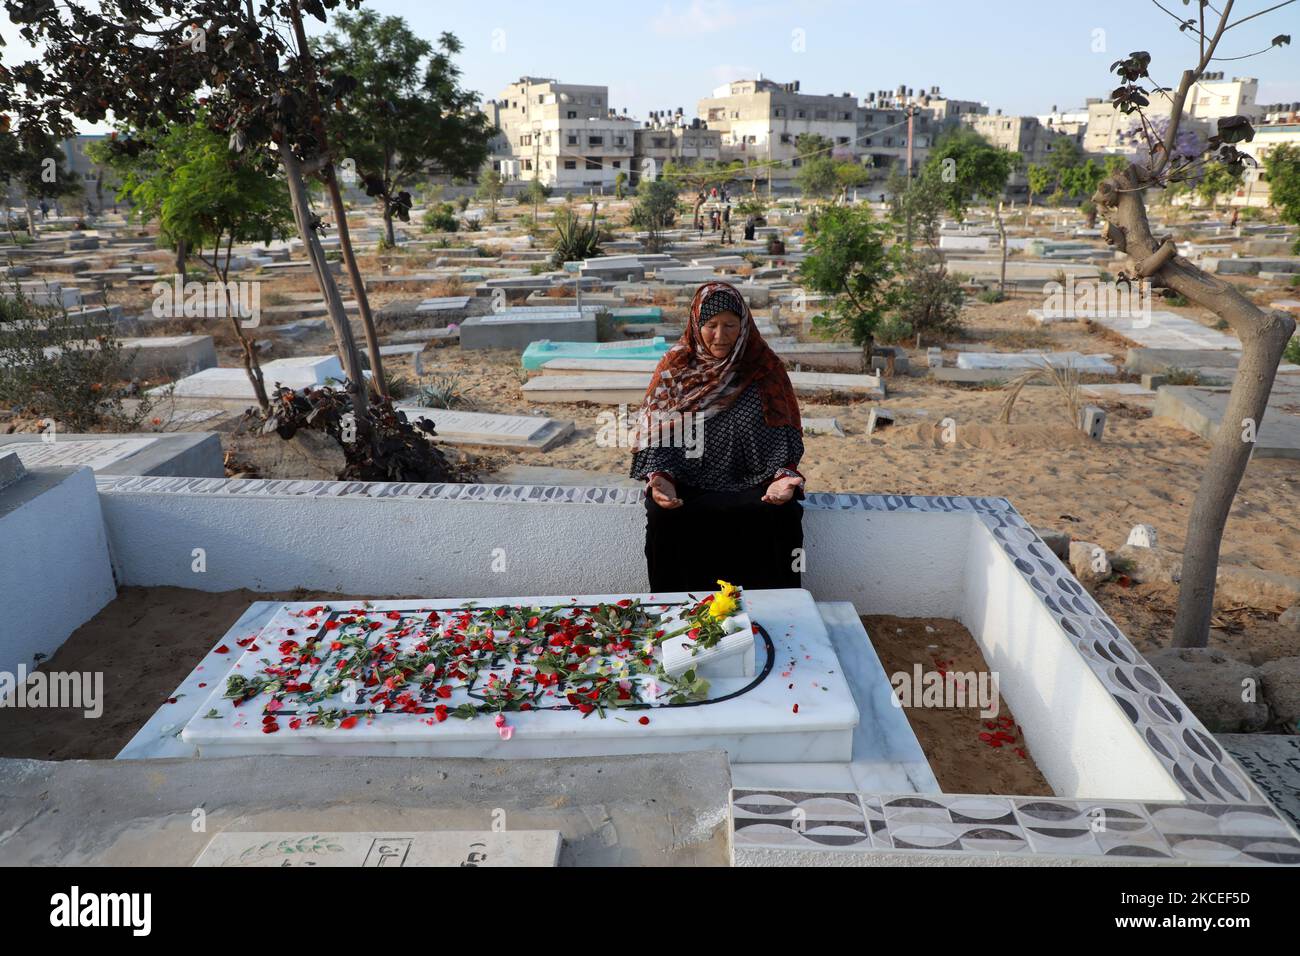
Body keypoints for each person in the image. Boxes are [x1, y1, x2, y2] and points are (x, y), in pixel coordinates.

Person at [630, 281, 805, 593]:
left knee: (783, 513)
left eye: (730, 325)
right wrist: (661, 476)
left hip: (754, 481)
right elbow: (654, 432)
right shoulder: (676, 367)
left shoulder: (765, 367)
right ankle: (676, 612)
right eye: (711, 325)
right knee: (663, 514)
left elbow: (786, 430)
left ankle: (776, 609)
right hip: (687, 482)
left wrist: (782, 476)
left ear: (744, 324)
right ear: (697, 324)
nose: (720, 336)